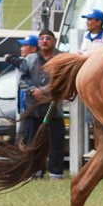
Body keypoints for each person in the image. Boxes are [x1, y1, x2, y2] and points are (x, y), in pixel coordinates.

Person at [17, 29, 66, 179]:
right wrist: (33, 91)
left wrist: (44, 91)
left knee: (55, 142)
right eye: (41, 38)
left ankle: (56, 173)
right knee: (33, 142)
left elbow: (63, 80)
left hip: (53, 108)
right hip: (33, 108)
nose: (44, 41)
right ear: (38, 42)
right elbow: (22, 79)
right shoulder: (30, 59)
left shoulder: (62, 58)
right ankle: (35, 171)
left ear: (54, 41)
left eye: (48, 38)